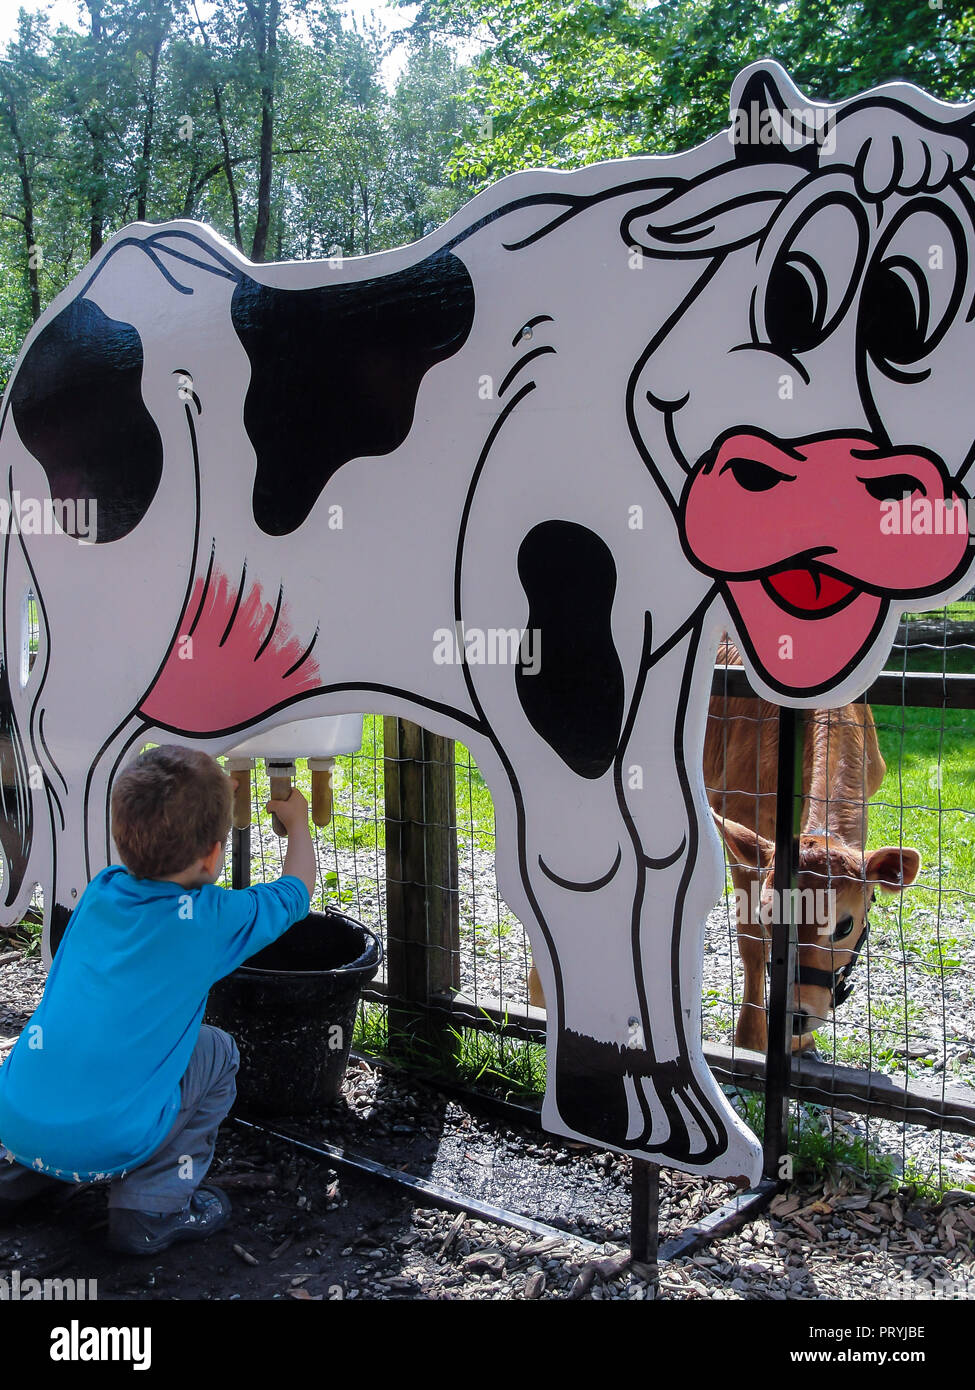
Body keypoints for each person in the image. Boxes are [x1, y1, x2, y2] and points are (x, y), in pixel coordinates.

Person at [0, 745, 316, 1255]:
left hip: (13, 1117)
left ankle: (22, 1175)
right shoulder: (210, 920)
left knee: (75, 1054)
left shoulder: (101, 891)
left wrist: (199, 803)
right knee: (217, 1052)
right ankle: (153, 1206)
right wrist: (297, 823)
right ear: (214, 855)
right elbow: (296, 888)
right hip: (110, 1140)